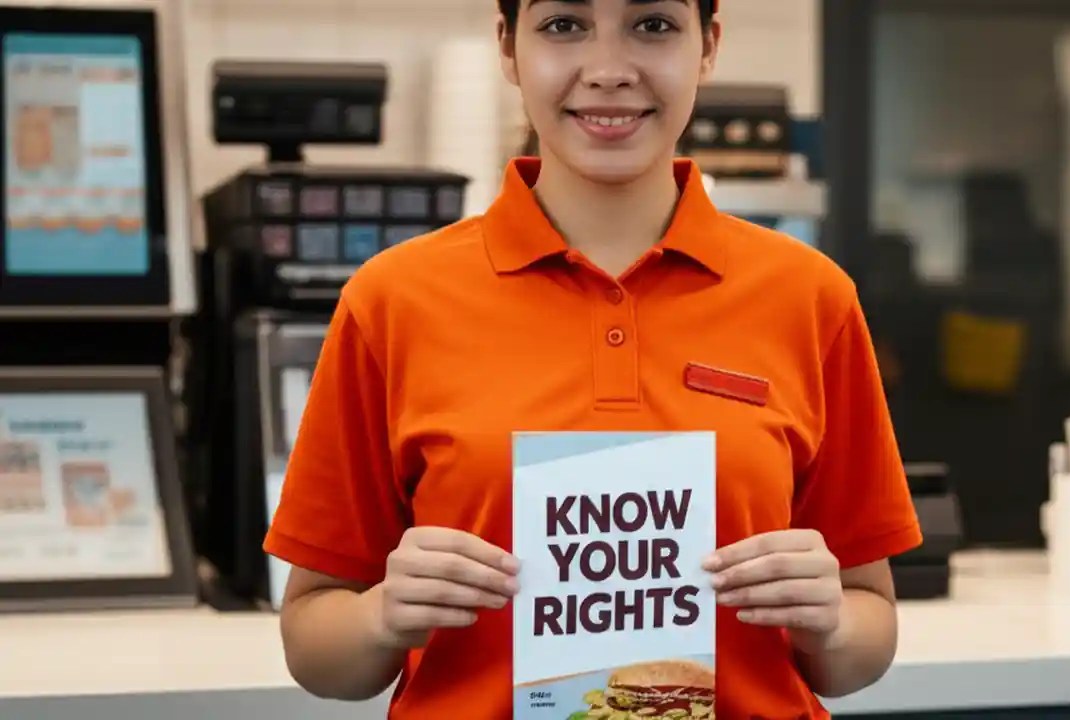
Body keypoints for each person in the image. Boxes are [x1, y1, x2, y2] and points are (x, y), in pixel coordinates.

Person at [264, 0, 923, 718]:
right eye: (564, 25)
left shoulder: (811, 296)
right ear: (509, 48)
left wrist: (828, 618)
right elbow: (314, 647)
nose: (608, 71)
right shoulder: (391, 300)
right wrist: (381, 616)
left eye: (653, 25)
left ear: (708, 46)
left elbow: (868, 631)